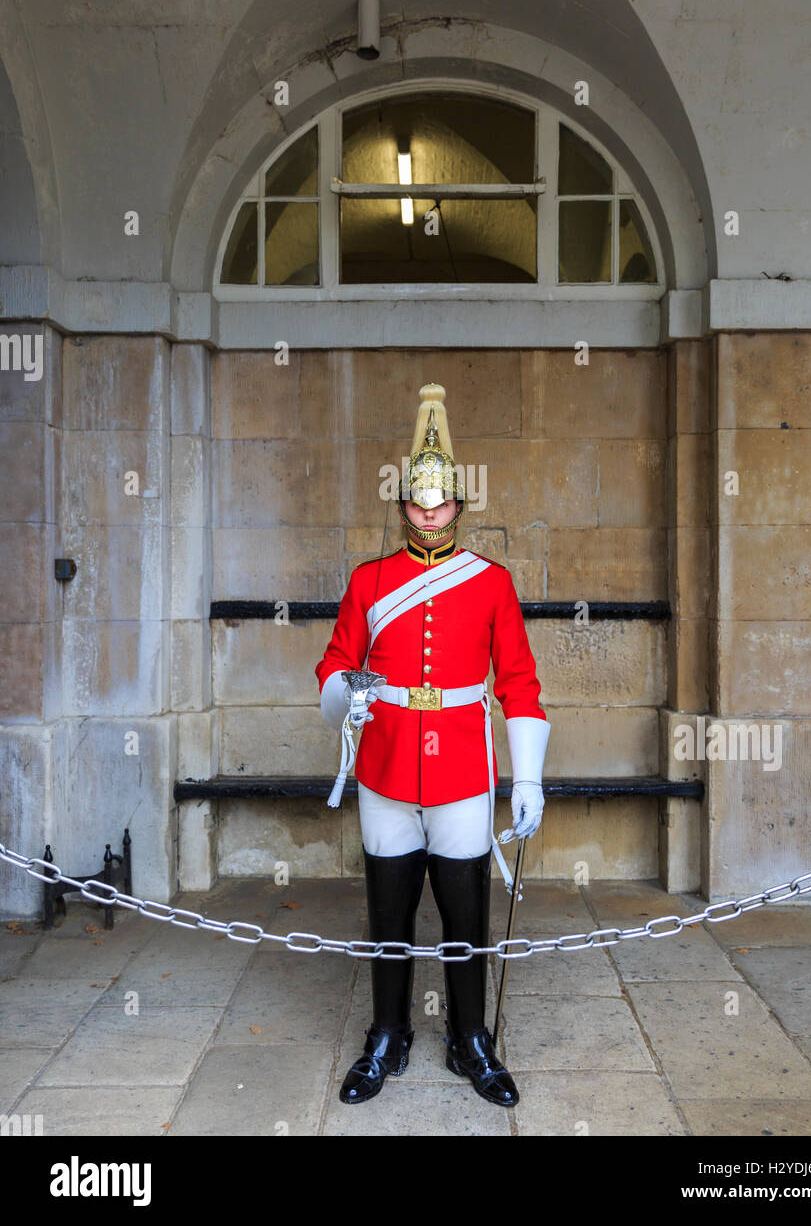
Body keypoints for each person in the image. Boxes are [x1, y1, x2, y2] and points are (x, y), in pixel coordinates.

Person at [315, 382, 550, 1107]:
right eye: (417, 505)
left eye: (440, 504)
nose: (428, 516)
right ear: (401, 507)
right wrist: (345, 697)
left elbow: (518, 682)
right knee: (387, 916)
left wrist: (528, 779)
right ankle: (388, 1033)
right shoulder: (369, 581)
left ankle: (470, 1037)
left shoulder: (491, 584)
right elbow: (333, 664)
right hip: (386, 768)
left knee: (465, 916)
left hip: (463, 775)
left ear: (458, 506)